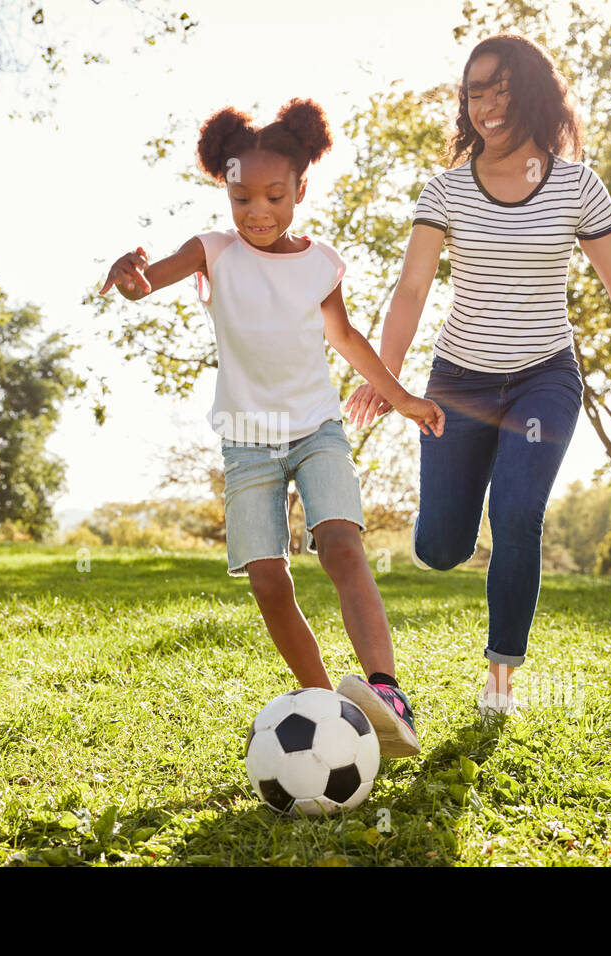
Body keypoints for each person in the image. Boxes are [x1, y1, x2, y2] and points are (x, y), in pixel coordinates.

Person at [345, 35, 611, 718]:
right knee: (440, 548)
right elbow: (410, 290)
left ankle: (500, 682)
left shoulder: (577, 185)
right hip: (458, 384)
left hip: (543, 379)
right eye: (475, 91)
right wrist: (388, 374)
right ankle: (445, 520)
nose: (488, 105)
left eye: (500, 88)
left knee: (518, 514)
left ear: (531, 92)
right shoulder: (445, 191)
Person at [98, 98, 445, 757]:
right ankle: (328, 709)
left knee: (341, 544)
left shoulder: (320, 263)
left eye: (274, 196)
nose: (257, 211)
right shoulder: (213, 251)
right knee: (267, 580)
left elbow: (344, 336)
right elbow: (148, 284)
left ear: (300, 190)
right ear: (225, 193)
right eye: (242, 198)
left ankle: (386, 691)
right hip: (247, 440)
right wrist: (129, 278)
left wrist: (399, 396)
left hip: (317, 428)